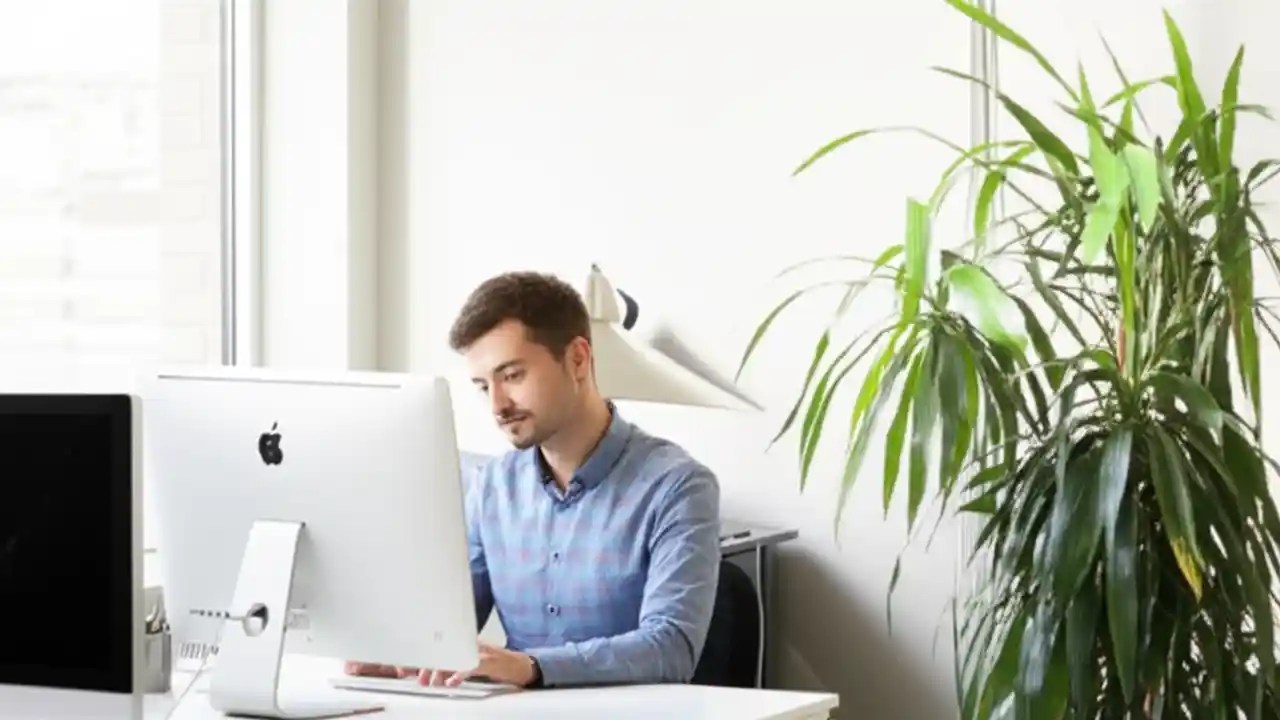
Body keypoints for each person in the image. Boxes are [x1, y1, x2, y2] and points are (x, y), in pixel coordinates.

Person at [346, 271, 721, 689]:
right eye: (482, 385)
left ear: (578, 360)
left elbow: (671, 649)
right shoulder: (491, 487)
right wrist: (401, 654)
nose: (497, 405)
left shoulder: (677, 487)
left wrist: (531, 666)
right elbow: (445, 626)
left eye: (512, 376)